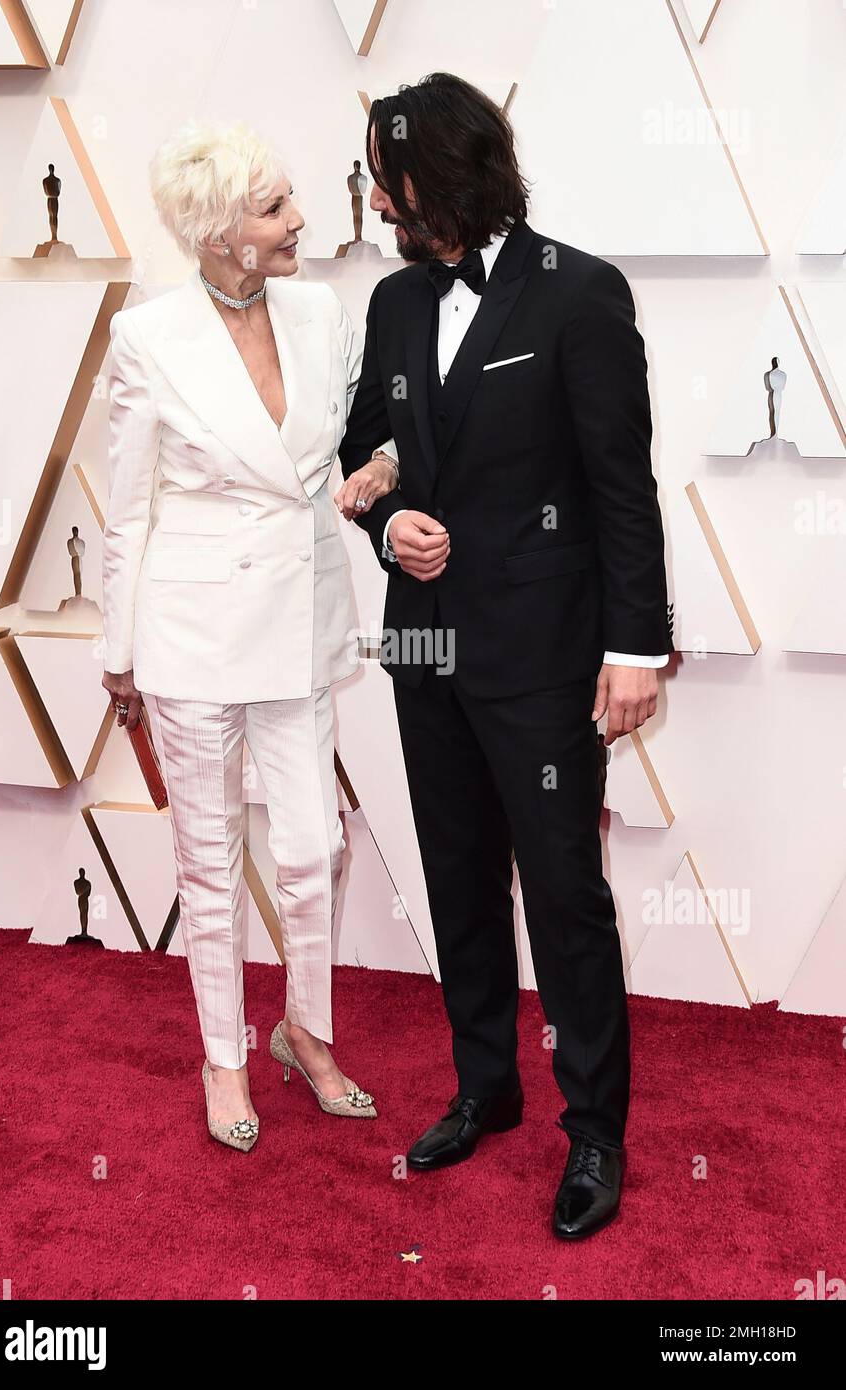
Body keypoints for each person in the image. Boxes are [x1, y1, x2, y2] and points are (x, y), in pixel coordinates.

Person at [337, 73, 674, 1237]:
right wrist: (389, 520)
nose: (383, 207)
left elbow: (621, 489)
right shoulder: (390, 303)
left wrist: (636, 648)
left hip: (542, 650)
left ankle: (596, 1132)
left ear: (454, 175)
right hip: (422, 639)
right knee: (456, 876)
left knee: (566, 898)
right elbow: (364, 444)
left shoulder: (579, 293)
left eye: (396, 187)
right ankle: (487, 1085)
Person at [101, 119, 395, 1152]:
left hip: (298, 621)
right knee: (211, 857)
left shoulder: (322, 313)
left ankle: (304, 1032)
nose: (299, 219)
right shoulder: (148, 337)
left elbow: (371, 431)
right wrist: (118, 651)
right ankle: (224, 1055)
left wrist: (387, 466)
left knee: (314, 845)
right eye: (272, 209)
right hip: (190, 631)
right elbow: (127, 505)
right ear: (222, 233)